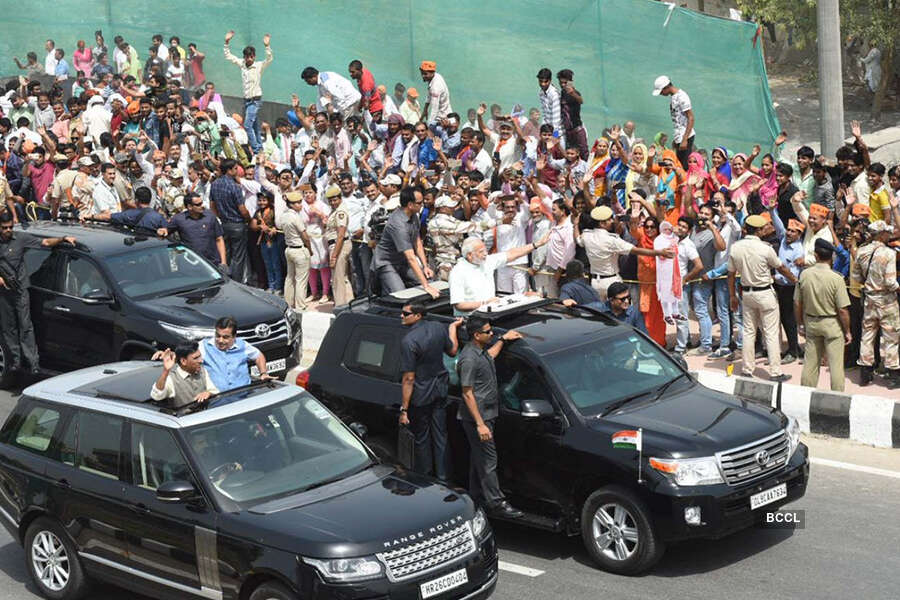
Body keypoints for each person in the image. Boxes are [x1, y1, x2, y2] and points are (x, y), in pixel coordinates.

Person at [457, 317, 523, 519]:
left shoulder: (481, 351)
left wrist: (503, 339)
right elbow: (467, 393)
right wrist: (480, 424)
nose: (491, 334)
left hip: (488, 414)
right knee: (488, 459)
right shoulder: (468, 358)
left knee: (479, 458)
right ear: (477, 335)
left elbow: (490, 356)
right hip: (480, 418)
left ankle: (475, 498)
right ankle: (497, 502)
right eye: (488, 332)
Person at [0, 212, 76, 376]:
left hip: (20, 289)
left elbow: (46, 242)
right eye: (4, 228)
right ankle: (15, 361)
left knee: (25, 325)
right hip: (3, 292)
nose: (8, 230)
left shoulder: (20, 238)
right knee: (9, 327)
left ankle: (33, 362)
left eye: (10, 227)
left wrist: (62, 238)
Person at [727, 214, 797, 382]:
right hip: (765, 292)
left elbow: (730, 275)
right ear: (758, 231)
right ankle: (775, 371)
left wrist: (732, 296)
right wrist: (795, 280)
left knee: (749, 331)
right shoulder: (765, 248)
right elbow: (781, 267)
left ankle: (747, 368)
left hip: (747, 294)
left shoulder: (736, 248)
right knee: (771, 333)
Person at [398, 303, 462, 481]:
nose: (401, 316)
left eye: (405, 313)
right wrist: (452, 328)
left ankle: (425, 478)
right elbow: (453, 351)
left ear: (418, 315)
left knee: (422, 438)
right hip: (440, 390)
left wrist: (404, 409)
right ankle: (444, 477)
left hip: (421, 394)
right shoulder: (437, 327)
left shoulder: (409, 341)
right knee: (441, 436)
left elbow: (409, 378)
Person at [794, 239, 852, 391]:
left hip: (811, 322)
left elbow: (797, 303)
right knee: (836, 367)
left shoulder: (804, 275)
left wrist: (800, 324)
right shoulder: (837, 278)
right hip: (832, 324)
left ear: (816, 255)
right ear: (831, 257)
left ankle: (805, 395)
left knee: (810, 364)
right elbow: (843, 310)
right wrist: (847, 331)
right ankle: (837, 399)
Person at [449, 233, 549, 315]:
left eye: (485, 250)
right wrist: (485, 303)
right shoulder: (458, 272)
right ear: (470, 255)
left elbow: (512, 254)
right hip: (471, 320)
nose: (485, 254)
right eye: (481, 251)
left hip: (491, 313)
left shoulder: (486, 261)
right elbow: (459, 305)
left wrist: (537, 244)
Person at [851, 221, 900, 387]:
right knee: (891, 337)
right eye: (886, 232)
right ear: (880, 234)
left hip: (869, 299)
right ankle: (893, 375)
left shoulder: (861, 252)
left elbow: (857, 278)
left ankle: (865, 374)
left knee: (867, 336)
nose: (889, 234)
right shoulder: (889, 253)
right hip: (887, 300)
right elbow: (891, 282)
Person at [371, 187, 438, 297]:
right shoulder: (398, 224)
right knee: (401, 293)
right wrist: (425, 286)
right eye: (419, 203)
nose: (423, 205)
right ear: (410, 205)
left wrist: (425, 266)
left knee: (430, 282)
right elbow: (411, 257)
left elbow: (417, 242)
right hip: (387, 263)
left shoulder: (414, 216)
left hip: (403, 262)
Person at [223, 29, 273, 153]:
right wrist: (227, 42)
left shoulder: (259, 65)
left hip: (255, 101)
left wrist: (267, 46)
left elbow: (269, 58)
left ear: (254, 56)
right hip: (246, 101)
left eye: (251, 57)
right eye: (246, 57)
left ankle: (256, 150)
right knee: (255, 126)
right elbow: (229, 57)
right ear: (244, 57)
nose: (248, 59)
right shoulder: (242, 65)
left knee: (247, 125)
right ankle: (260, 148)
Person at [200, 317, 271, 391]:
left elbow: (258, 356)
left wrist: (263, 373)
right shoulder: (204, 346)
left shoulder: (242, 345)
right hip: (217, 398)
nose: (220, 340)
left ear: (234, 337)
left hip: (243, 393)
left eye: (225, 337)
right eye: (218, 336)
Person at [161, 192, 228, 269]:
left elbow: (219, 239)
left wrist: (223, 262)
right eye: (198, 204)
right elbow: (167, 231)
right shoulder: (178, 219)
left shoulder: (210, 216)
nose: (202, 206)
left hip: (213, 264)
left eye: (201, 203)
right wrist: (163, 231)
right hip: (191, 265)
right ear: (189, 207)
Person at [209, 159, 250, 283]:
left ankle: (225, 279)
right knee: (238, 257)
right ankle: (236, 283)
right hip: (237, 224)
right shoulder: (234, 187)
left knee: (225, 255)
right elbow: (242, 210)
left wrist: (221, 217)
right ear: (229, 170)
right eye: (236, 168)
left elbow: (212, 206)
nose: (237, 171)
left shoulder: (215, 184)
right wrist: (248, 219)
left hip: (224, 224)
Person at [150, 343, 218, 409]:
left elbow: (215, 391)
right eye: (196, 358)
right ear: (183, 361)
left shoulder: (203, 371)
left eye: (200, 356)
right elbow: (156, 396)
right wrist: (165, 371)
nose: (201, 360)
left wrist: (208, 393)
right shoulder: (172, 379)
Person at [652, 76, 695, 170]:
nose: (661, 94)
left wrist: (684, 139)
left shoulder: (682, 96)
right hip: (680, 137)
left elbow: (691, 118)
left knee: (683, 167)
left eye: (661, 91)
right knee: (677, 164)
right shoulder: (673, 97)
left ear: (666, 87)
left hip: (686, 136)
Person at [279, 191, 312, 310]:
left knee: (290, 278)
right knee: (301, 280)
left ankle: (288, 303)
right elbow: (305, 236)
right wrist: (310, 249)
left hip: (289, 249)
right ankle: (301, 306)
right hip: (299, 250)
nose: (300, 205)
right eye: (297, 203)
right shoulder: (295, 217)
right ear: (291, 204)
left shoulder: (283, 215)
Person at [419, 60, 452, 125]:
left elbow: (434, 109)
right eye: (422, 73)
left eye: (425, 74)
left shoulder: (436, 86)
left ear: (432, 73)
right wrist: (425, 110)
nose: (423, 76)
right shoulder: (435, 76)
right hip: (441, 115)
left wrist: (429, 125)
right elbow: (429, 94)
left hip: (443, 118)